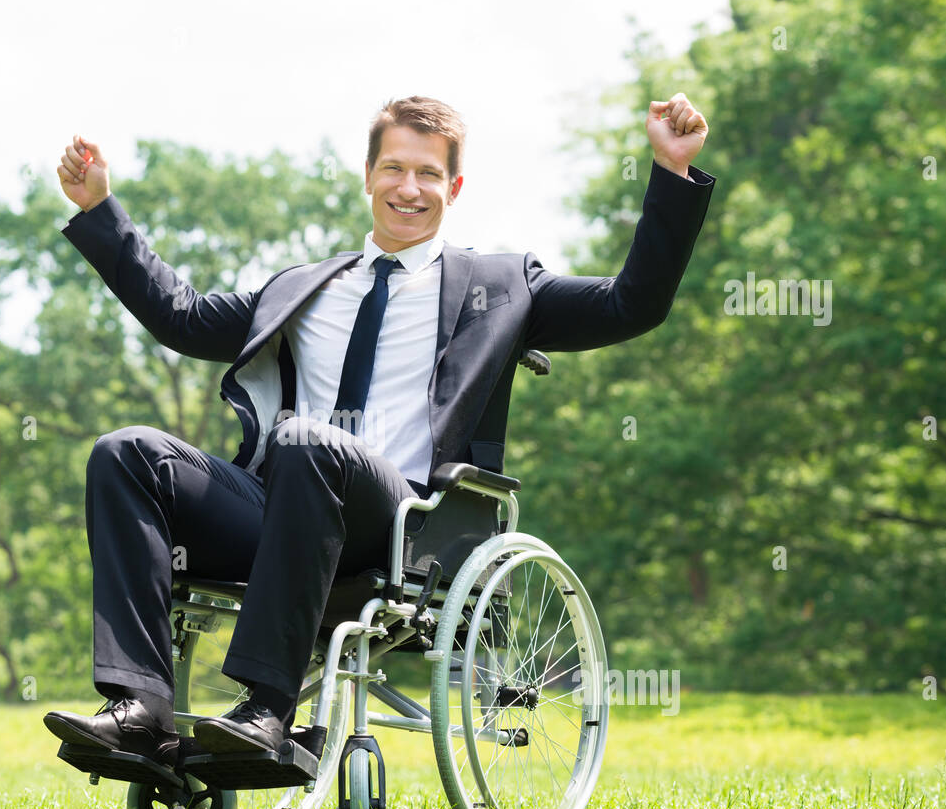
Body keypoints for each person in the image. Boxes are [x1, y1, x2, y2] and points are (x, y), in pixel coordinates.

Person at [44, 95, 714, 767]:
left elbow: (634, 303)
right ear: (368, 177)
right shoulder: (304, 287)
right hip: (280, 515)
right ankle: (140, 710)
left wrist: (671, 172)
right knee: (127, 452)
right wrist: (101, 209)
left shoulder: (502, 287)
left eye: (427, 173)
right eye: (394, 168)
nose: (408, 188)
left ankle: (267, 711)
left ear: (453, 187)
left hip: (404, 525)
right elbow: (181, 318)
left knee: (307, 441)